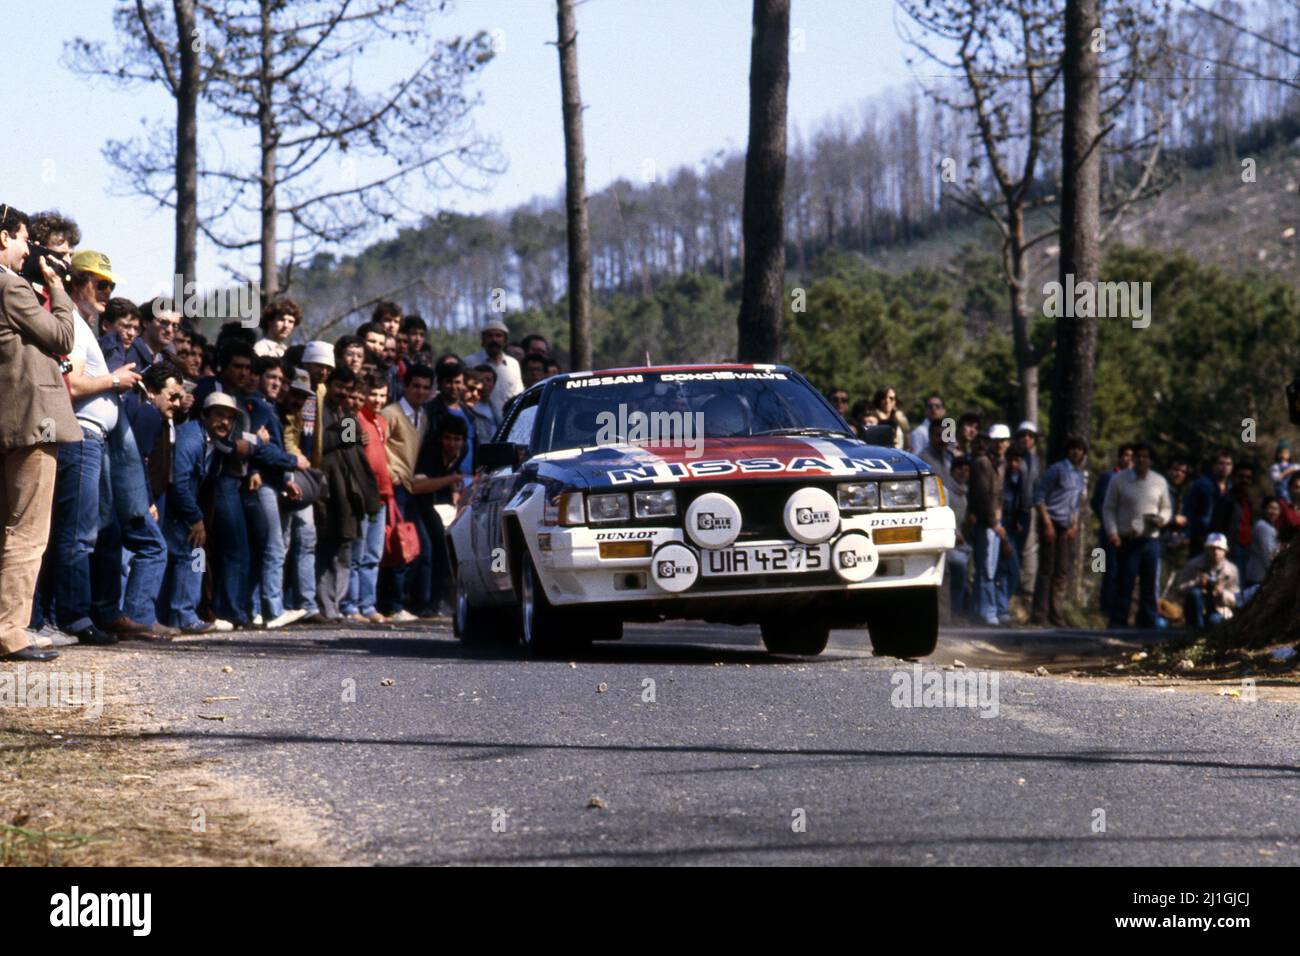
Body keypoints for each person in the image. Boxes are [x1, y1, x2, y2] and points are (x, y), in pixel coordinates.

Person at [0, 204, 80, 662]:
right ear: (2, 237)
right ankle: (11, 632)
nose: (28, 247)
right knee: (27, 532)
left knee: (9, 528)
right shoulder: (11, 288)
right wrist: (55, 284)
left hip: (11, 422)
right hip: (32, 424)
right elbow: (64, 336)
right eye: (23, 239)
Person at [165, 393, 245, 633]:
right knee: (190, 555)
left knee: (197, 555)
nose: (225, 423)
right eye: (219, 415)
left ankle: (191, 611)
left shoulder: (209, 441)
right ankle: (184, 615)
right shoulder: (191, 438)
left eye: (230, 418)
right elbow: (178, 483)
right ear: (204, 415)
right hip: (177, 510)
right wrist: (195, 518)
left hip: (188, 509)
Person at [381, 364, 436, 620]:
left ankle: (417, 603)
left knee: (420, 546)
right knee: (397, 545)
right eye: (416, 386)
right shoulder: (390, 413)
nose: (420, 392)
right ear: (405, 386)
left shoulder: (423, 416)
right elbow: (376, 446)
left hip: (412, 488)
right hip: (394, 487)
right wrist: (390, 476)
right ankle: (392, 604)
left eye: (426, 387)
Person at [342, 373, 397, 623]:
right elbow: (346, 457)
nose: (377, 399)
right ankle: (351, 605)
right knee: (356, 554)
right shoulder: (353, 421)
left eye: (381, 395)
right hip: (362, 495)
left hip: (382, 496)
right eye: (372, 395)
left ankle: (368, 605)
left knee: (373, 555)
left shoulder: (381, 422)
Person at [1102, 443, 1173, 629]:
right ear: (1133, 459)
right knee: (1125, 582)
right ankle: (1118, 623)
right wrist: (1112, 532)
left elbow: (1166, 507)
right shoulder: (1119, 480)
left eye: (1145, 456)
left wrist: (1162, 519)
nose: (1141, 459)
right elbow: (1108, 508)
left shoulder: (1159, 481)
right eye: (1138, 456)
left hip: (1151, 539)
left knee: (1149, 585)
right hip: (1128, 539)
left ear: (1151, 460)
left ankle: (1147, 624)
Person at [1030, 435, 1088, 628]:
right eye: (1073, 449)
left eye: (1079, 449)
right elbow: (1039, 496)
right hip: (1051, 522)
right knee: (1046, 569)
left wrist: (1075, 525)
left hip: (1066, 526)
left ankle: (1057, 615)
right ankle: (1039, 614)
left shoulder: (1080, 475)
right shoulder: (1057, 469)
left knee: (1061, 571)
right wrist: (1046, 524)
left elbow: (1078, 503)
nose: (1076, 452)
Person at [967, 424, 1010, 626]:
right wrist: (994, 522)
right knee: (986, 569)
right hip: (987, 523)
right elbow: (982, 496)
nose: (1000, 445)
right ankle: (987, 612)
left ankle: (982, 610)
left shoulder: (1000, 463)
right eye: (997, 441)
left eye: (1003, 441)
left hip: (994, 520)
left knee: (990, 568)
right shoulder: (983, 462)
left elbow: (998, 494)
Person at [1091, 443, 1134, 615]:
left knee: (1125, 572)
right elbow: (1097, 503)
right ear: (1119, 457)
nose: (1129, 460)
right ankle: (1104, 608)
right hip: (1108, 533)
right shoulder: (1108, 477)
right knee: (1106, 569)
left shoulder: (1135, 480)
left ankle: (1121, 610)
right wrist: (1109, 524)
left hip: (1128, 534)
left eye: (1132, 456)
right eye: (1126, 455)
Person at [1175, 532, 1239, 630]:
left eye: (1219, 549)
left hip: (1219, 609)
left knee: (1216, 621)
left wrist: (1221, 592)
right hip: (1197, 607)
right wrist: (1196, 583)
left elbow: (1237, 598)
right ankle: (1196, 629)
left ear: (1225, 551)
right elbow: (1179, 589)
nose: (1215, 552)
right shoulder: (1193, 565)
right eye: (1212, 548)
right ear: (1206, 549)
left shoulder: (1232, 570)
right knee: (1195, 594)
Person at [462, 318, 522, 421]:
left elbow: (519, 395)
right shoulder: (469, 362)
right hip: (478, 422)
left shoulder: (513, 364)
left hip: (508, 423)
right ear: (483, 340)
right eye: (490, 336)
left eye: (498, 336)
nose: (494, 340)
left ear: (505, 340)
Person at [1182, 450, 1232, 556]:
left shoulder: (1231, 489)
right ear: (1214, 465)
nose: (1224, 467)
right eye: (1221, 463)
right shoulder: (1202, 484)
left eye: (1228, 464)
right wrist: (1187, 533)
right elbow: (1189, 509)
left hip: (1221, 539)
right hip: (1201, 537)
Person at [1013, 421, 1042, 598]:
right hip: (1012, 510)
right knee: (1012, 552)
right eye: (1023, 435)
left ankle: (1022, 590)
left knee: (1023, 550)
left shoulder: (1035, 459)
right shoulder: (1014, 457)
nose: (1026, 439)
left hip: (1027, 510)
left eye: (1030, 436)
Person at [945, 456, 972, 620]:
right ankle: (950, 614)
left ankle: (956, 614)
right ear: (952, 471)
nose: (963, 473)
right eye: (960, 469)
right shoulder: (947, 491)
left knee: (961, 579)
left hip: (958, 543)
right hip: (948, 542)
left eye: (967, 470)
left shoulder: (963, 494)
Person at [128, 295, 180, 370]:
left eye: (175, 325)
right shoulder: (128, 353)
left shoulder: (168, 361)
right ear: (146, 322)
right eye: (163, 322)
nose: (169, 330)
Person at [1243, 497, 1281, 599]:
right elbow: (1268, 554)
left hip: (1261, 576)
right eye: (1270, 508)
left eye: (1277, 509)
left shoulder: (1269, 527)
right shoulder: (1263, 527)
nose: (1273, 512)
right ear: (1264, 509)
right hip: (1258, 577)